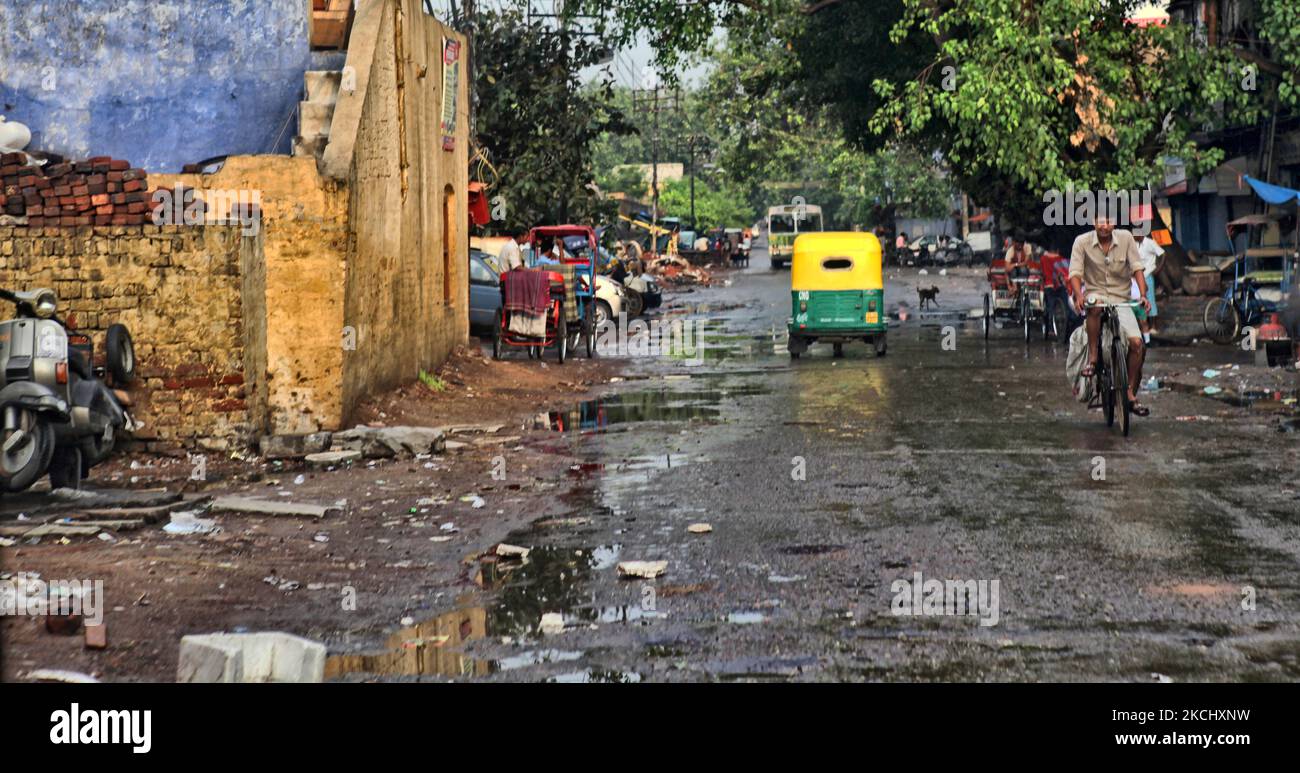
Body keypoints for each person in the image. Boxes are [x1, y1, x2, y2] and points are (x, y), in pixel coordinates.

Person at [1069, 215, 1152, 417]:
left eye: (1108, 222)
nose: (1104, 226)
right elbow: (1075, 273)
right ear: (1094, 223)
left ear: (1114, 223)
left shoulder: (1125, 238)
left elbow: (1138, 269)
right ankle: (1093, 357)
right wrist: (1079, 295)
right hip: (1095, 295)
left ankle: (1130, 393)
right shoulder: (1082, 242)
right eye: (1100, 221)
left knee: (1136, 344)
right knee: (1094, 305)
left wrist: (1142, 295)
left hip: (1121, 299)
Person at [1135, 231, 1163, 336]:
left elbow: (1162, 254)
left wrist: (1158, 269)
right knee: (1139, 300)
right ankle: (1143, 325)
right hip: (1138, 276)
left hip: (1147, 275)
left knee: (1150, 300)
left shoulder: (1150, 243)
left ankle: (1154, 326)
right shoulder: (1134, 244)